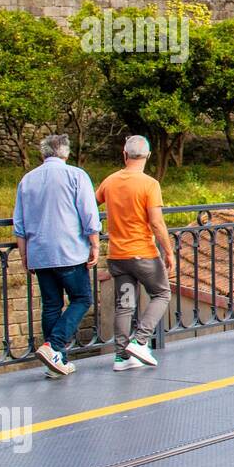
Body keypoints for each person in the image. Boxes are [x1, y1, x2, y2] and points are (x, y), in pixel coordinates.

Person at [12, 134, 101, 378]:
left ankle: (56, 363)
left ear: (43, 154)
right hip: (69, 251)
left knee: (51, 304)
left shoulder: (27, 179)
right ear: (66, 153)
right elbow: (89, 214)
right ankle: (53, 346)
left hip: (39, 252)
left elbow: (19, 224)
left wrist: (24, 256)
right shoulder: (76, 175)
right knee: (82, 299)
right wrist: (95, 243)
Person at [95, 135, 173, 370]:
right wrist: (169, 251)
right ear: (148, 156)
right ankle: (140, 341)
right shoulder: (149, 184)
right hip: (142, 254)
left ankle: (121, 357)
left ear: (124, 154)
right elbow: (157, 223)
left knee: (125, 304)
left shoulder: (110, 181)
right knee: (161, 294)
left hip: (118, 257)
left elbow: (91, 205)